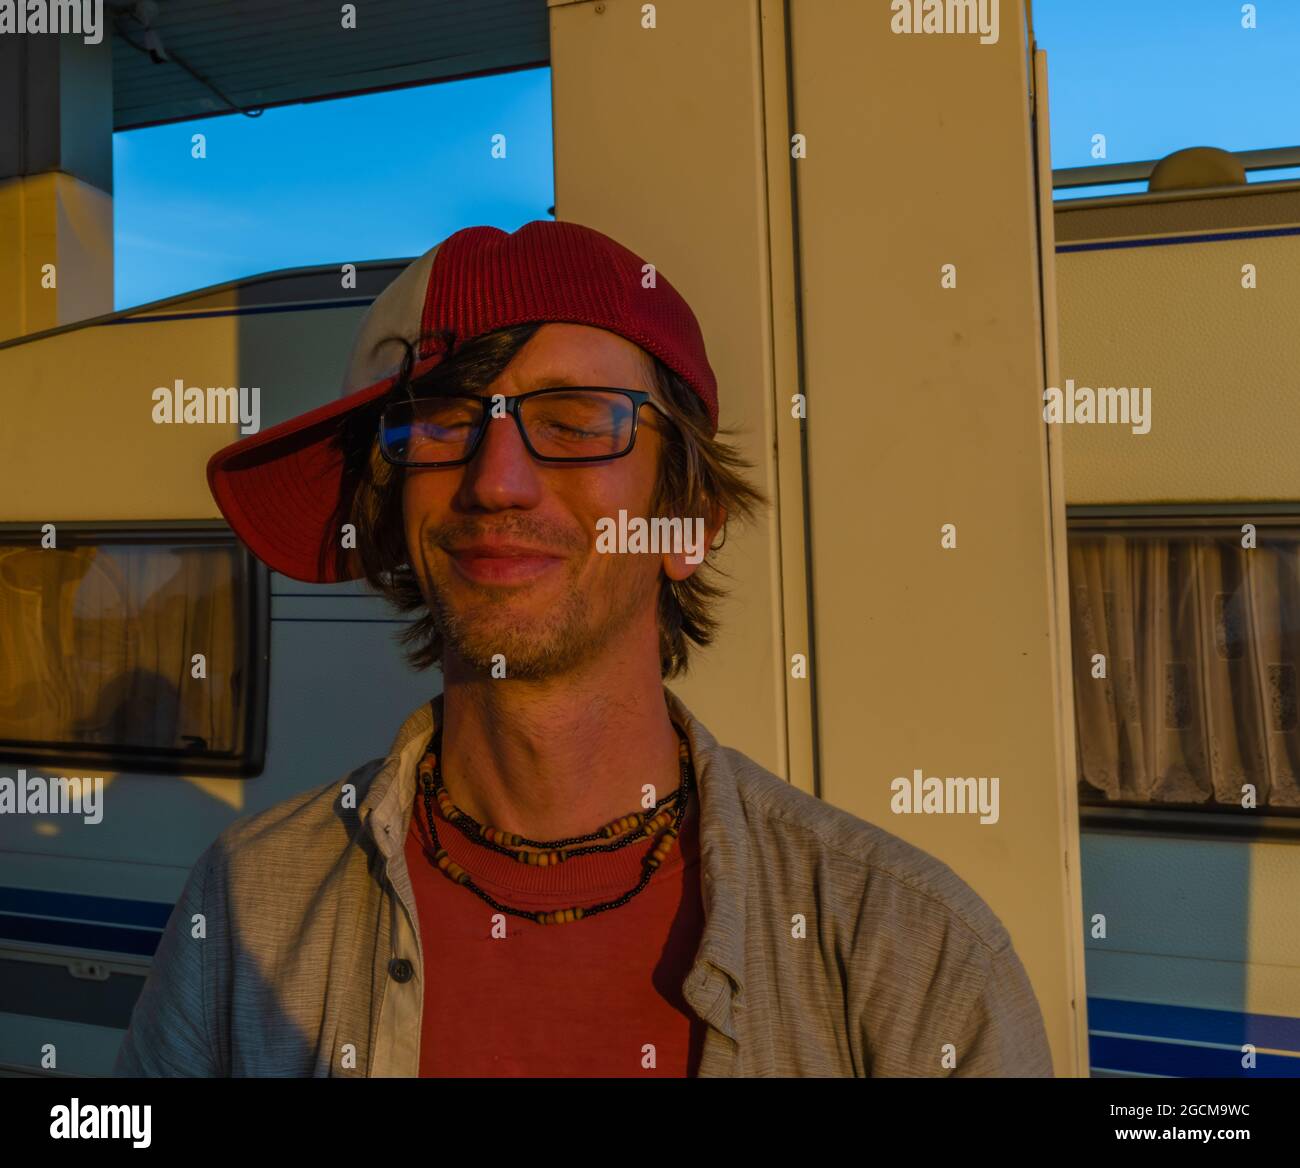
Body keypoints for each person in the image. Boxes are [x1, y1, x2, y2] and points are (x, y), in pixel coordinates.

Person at [114, 219, 1053, 1077]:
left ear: (686, 523)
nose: (497, 482)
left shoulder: (913, 954)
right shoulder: (248, 908)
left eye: (573, 422)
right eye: (440, 424)